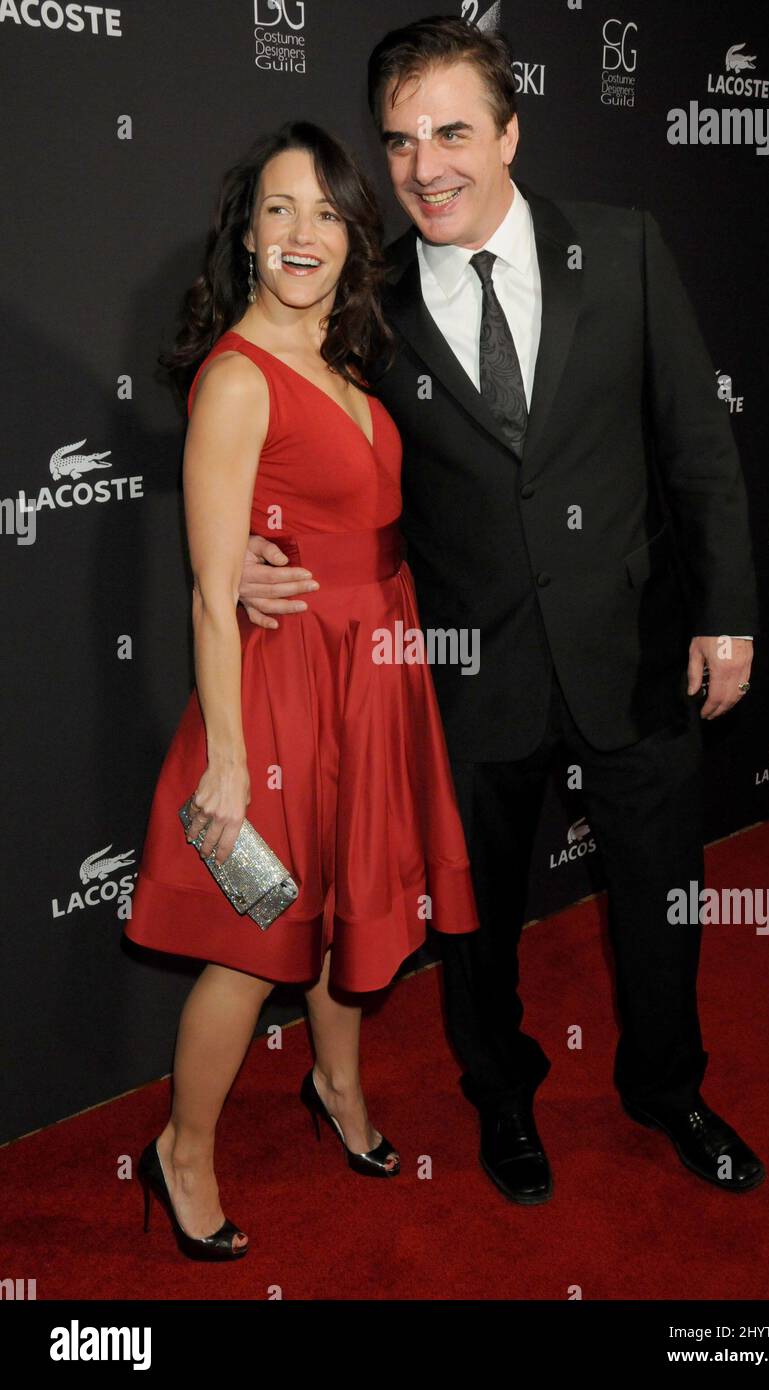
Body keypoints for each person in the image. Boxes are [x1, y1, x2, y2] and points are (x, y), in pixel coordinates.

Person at [237, 17, 766, 1205]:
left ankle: (668, 1086)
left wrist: (727, 612)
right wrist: (238, 557)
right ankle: (503, 1096)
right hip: (466, 669)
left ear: (512, 133)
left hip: (631, 650)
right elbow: (281, 431)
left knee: (660, 900)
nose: (426, 166)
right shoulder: (361, 304)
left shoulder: (623, 250)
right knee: (477, 928)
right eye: (403, 140)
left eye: (455, 132)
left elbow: (698, 445)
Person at [124, 119, 480, 1260]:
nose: (303, 232)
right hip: (282, 697)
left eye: (326, 211)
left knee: (348, 911)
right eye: (279, 209)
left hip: (372, 671)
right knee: (252, 937)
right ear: (246, 234)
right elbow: (208, 589)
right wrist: (228, 760)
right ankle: (182, 1150)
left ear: (350, 237)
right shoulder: (237, 378)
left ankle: (335, 1089)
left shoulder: (344, 358)